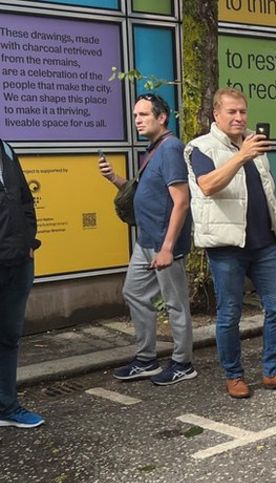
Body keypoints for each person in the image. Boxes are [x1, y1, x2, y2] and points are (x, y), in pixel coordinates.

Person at [184, 88, 276, 399]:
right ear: (216, 115)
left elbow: (268, 196)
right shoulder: (200, 147)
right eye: (232, 112)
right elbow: (207, 186)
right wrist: (241, 156)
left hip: (263, 244)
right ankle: (234, 375)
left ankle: (272, 371)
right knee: (229, 314)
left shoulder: (254, 144)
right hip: (227, 247)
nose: (239, 117)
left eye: (243, 112)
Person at [99, 93, 196, 386]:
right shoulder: (154, 149)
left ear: (161, 117)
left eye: (143, 115)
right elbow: (146, 190)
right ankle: (146, 359)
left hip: (164, 244)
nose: (138, 120)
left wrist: (167, 248)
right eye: (136, 115)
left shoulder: (170, 149)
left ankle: (183, 363)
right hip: (146, 241)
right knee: (134, 292)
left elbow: (181, 201)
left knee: (175, 303)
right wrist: (115, 179)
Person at [0, 138, 43, 428]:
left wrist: (29, 243)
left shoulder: (5, 149)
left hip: (17, 260)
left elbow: (25, 201)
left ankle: (6, 406)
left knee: (8, 337)